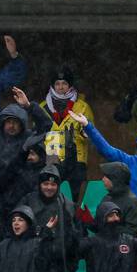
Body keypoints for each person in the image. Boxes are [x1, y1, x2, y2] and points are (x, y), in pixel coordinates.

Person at [37, 67, 93, 201]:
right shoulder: (43, 107)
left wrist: (81, 134)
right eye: (57, 83)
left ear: (70, 85)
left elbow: (91, 132)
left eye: (64, 83)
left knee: (74, 200)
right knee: (53, 197)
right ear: (52, 85)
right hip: (52, 158)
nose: (61, 87)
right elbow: (37, 134)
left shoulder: (82, 106)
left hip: (76, 160)